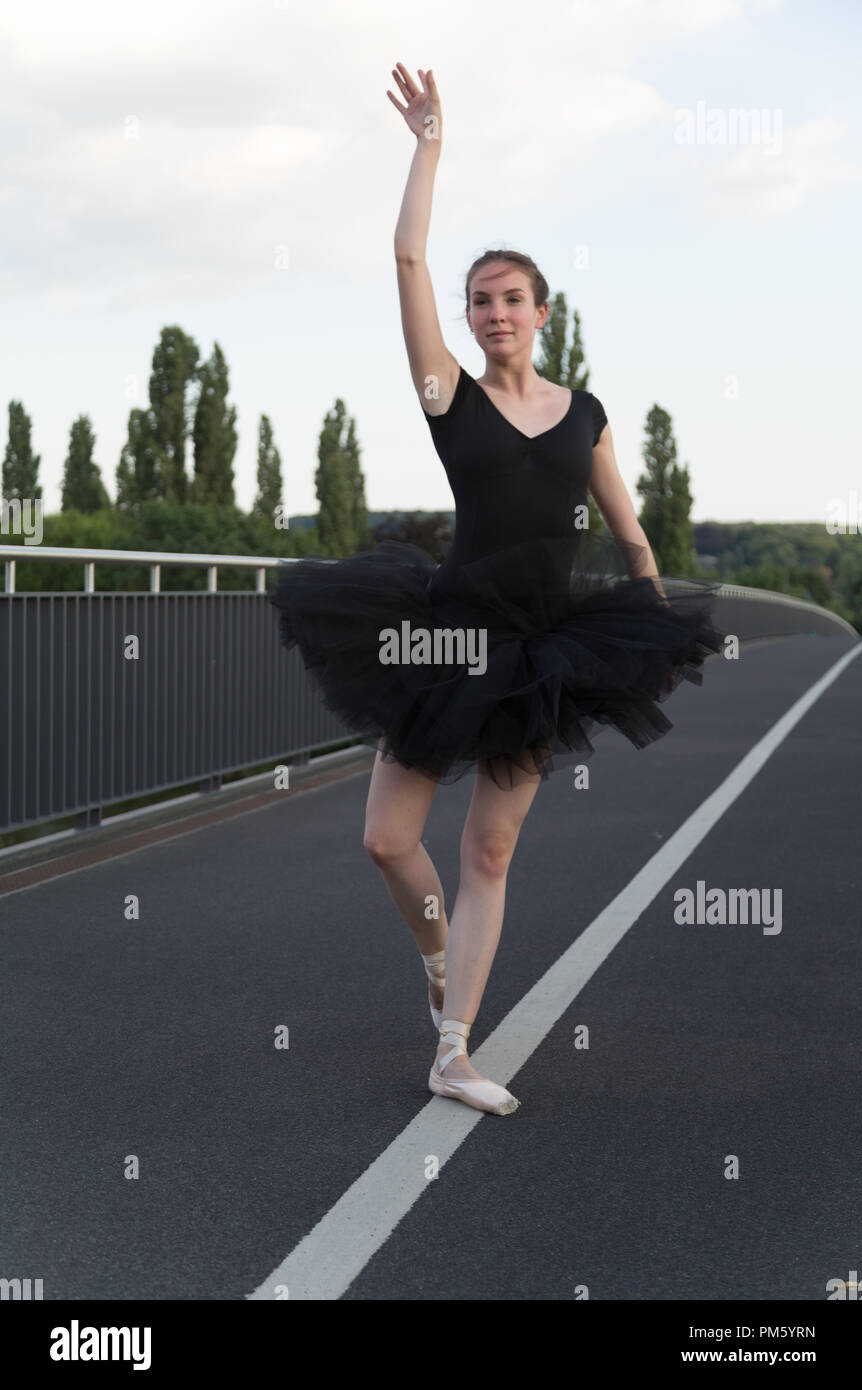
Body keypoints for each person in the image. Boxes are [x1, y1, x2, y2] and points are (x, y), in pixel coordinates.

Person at [268, 63, 724, 1117]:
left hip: (542, 651)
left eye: (508, 296)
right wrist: (429, 147)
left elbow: (625, 527)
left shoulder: (583, 412)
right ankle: (434, 957)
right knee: (386, 839)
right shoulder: (448, 395)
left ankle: (453, 1050)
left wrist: (652, 604)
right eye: (479, 301)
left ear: (541, 309)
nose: (491, 311)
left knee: (486, 849)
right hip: (444, 644)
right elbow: (406, 253)